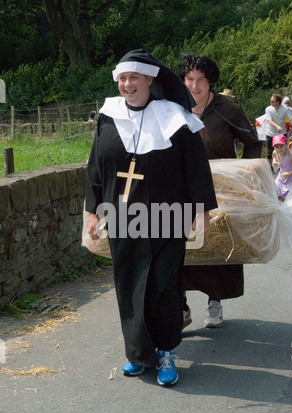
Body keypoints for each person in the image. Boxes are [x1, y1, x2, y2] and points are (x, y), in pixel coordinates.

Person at [85, 49, 217, 386]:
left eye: (134, 78)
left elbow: (196, 167)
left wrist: (201, 210)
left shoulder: (173, 116)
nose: (127, 84)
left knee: (162, 285)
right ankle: (138, 355)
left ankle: (166, 352)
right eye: (122, 78)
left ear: (149, 80)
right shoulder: (108, 115)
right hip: (121, 217)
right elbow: (96, 167)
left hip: (168, 216)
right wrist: (91, 210)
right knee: (128, 285)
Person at [178, 53, 262, 329]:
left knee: (217, 244)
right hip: (183, 189)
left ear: (211, 82)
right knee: (181, 247)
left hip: (221, 190)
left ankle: (215, 301)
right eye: (189, 79)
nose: (194, 86)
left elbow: (252, 142)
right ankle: (180, 305)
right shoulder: (173, 106)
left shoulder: (228, 108)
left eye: (201, 80)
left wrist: (242, 174)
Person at [265, 94, 292, 168]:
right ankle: (270, 167)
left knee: (283, 150)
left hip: (282, 133)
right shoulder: (268, 109)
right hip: (270, 133)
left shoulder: (285, 109)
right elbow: (269, 120)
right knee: (270, 151)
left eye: (272, 101)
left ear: (278, 102)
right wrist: (277, 126)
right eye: (271, 101)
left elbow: (291, 118)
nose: (270, 102)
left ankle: (281, 166)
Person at [272, 134, 292, 202]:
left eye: (281, 146)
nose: (279, 149)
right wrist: (274, 161)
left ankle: (288, 205)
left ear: (286, 145)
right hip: (282, 175)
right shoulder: (275, 152)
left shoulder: (291, 154)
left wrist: (288, 174)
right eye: (277, 147)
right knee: (275, 191)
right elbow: (273, 157)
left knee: (290, 195)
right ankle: (285, 204)